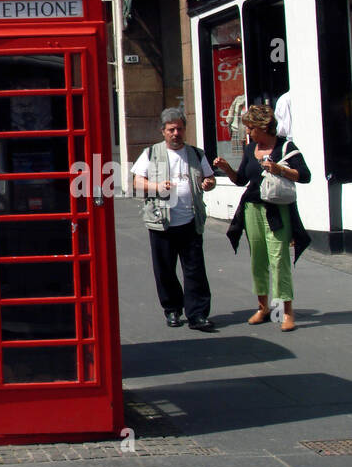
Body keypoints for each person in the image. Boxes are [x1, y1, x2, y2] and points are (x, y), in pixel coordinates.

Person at [212, 103, 311, 332]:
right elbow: (241, 181)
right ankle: (263, 307)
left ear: (262, 127)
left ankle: (287, 312)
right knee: (258, 259)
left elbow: (305, 176)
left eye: (250, 128)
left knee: (279, 260)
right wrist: (227, 169)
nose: (247, 132)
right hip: (252, 210)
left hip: (277, 210)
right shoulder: (250, 150)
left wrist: (280, 169)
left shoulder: (285, 147)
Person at [132, 108, 218, 332]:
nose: (176, 133)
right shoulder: (151, 153)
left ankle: (197, 314)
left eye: (179, 128)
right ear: (163, 131)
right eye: (171, 129)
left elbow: (209, 179)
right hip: (161, 222)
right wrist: (157, 187)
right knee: (165, 270)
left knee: (195, 270)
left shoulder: (196, 154)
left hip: (190, 220)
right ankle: (172, 309)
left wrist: (209, 183)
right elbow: (137, 183)